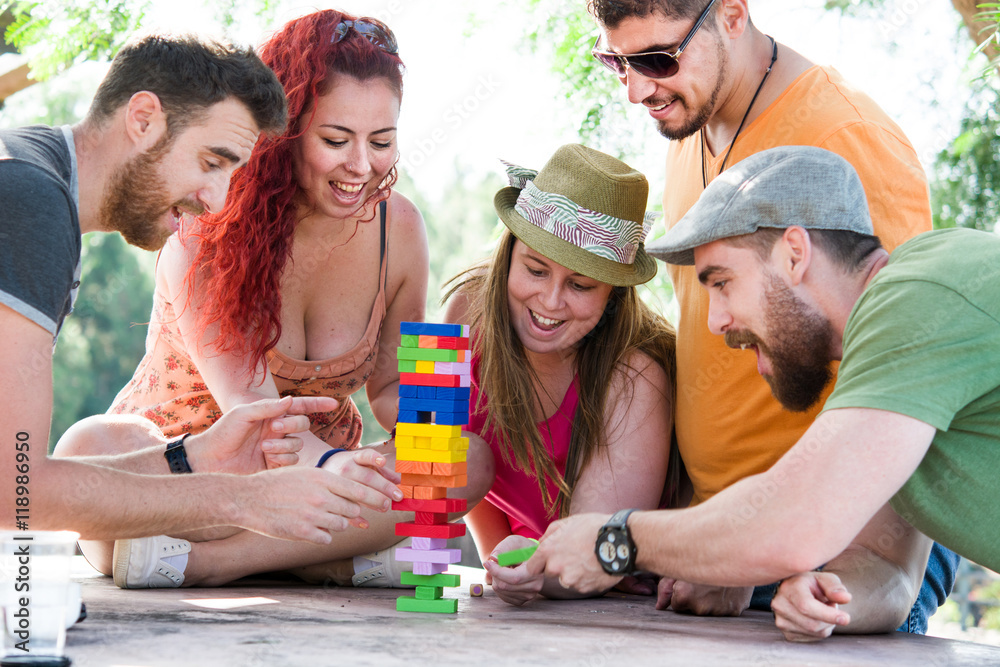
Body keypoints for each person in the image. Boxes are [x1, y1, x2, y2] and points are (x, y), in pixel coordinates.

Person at [54, 10, 490, 590]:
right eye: (336, 140)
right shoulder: (205, 225)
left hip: (320, 470)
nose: (361, 166)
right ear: (283, 134)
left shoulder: (400, 229)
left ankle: (214, 563)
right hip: (197, 469)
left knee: (466, 458)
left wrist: (431, 414)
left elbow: (389, 387)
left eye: (382, 141)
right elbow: (253, 417)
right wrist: (345, 475)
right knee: (87, 449)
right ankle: (331, 558)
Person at [586, 0, 957, 636]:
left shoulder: (846, 136)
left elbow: (908, 365)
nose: (637, 90)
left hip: (837, 546)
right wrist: (710, 535)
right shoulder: (689, 124)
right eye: (617, 63)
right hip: (726, 538)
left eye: (658, 59)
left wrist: (763, 549)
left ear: (732, 15)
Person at [529, 146, 1000, 641]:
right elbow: (892, 571)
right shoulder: (897, 351)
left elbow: (795, 524)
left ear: (794, 254)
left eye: (722, 282)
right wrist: (829, 596)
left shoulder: (920, 296)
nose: (715, 322)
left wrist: (614, 540)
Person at [0, 33, 386, 546]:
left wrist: (195, 457)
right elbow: (16, 493)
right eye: (211, 162)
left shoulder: (32, 175)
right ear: (143, 119)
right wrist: (241, 500)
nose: (217, 199)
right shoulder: (32, 203)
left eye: (232, 171)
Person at [443, 143, 678, 606]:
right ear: (509, 254)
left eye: (580, 285)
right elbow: (448, 455)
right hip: (529, 574)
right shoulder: (466, 314)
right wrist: (500, 560)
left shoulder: (637, 376)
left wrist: (528, 569)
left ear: (613, 295)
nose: (550, 302)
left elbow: (590, 550)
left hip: (615, 594)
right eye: (535, 270)